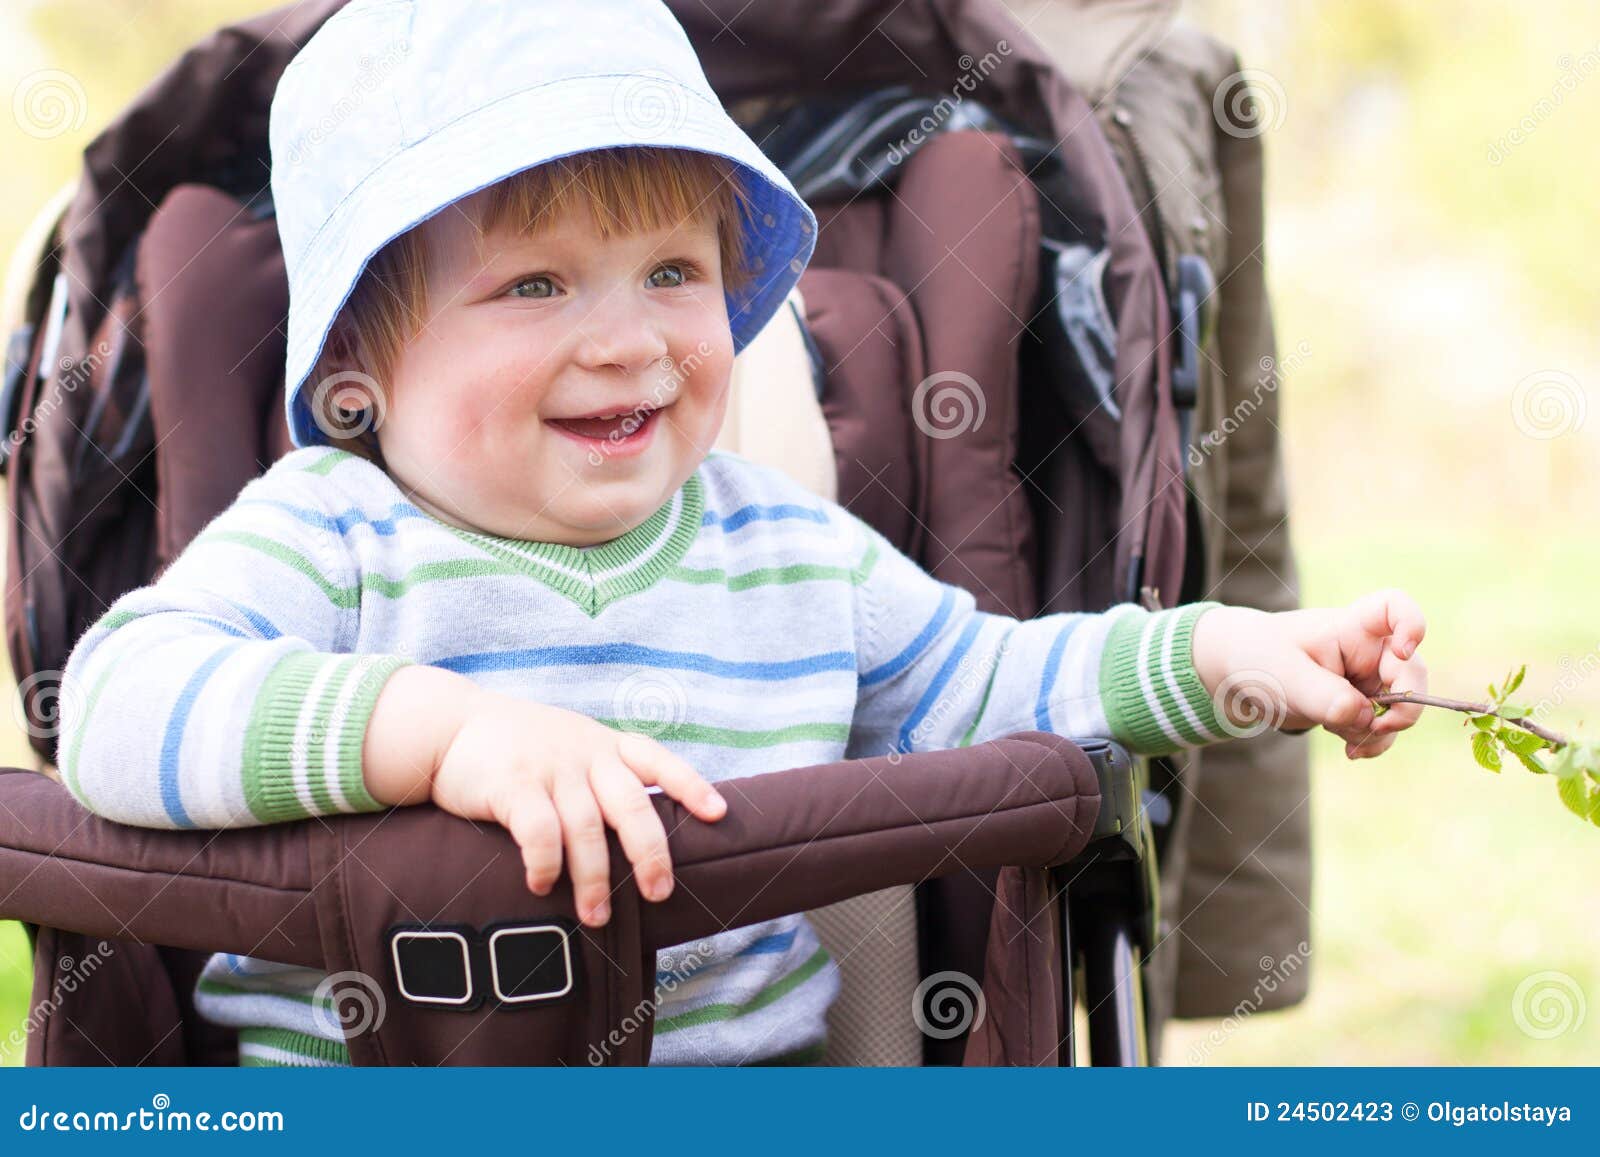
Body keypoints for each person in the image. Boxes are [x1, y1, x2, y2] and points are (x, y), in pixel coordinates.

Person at [56, 0, 1427, 1067]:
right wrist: (438, 732)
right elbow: (118, 702)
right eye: (535, 285)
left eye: (674, 271)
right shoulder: (331, 535)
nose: (629, 339)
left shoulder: (784, 550)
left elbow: (993, 683)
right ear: (357, 365)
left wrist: (1227, 654)